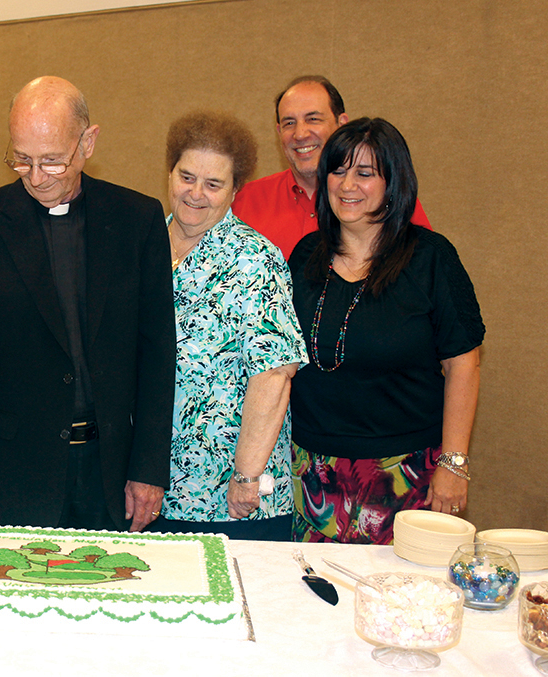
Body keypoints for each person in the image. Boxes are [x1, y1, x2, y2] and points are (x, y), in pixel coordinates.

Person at [0, 76, 175, 531]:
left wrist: (148, 468)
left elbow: (156, 351)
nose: (35, 178)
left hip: (109, 473)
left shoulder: (137, 219)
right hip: (7, 475)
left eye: (52, 161)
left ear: (88, 142)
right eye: (22, 159)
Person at [289, 117, 484, 544]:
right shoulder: (305, 256)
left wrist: (454, 465)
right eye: (338, 171)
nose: (347, 185)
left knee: (401, 588)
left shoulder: (431, 258)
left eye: (365, 173)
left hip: (406, 474)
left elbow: (463, 364)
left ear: (393, 183)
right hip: (311, 474)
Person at [149, 111, 307, 541]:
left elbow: (274, 374)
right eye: (187, 177)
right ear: (169, 174)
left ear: (236, 190)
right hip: (153, 490)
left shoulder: (255, 260)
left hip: (232, 497)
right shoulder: (145, 246)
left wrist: (246, 475)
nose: (196, 193)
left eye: (213, 184)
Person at [232, 75, 430, 259]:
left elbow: (424, 266)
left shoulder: (385, 198)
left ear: (341, 124)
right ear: (278, 132)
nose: (300, 134)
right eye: (289, 123)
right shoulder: (241, 202)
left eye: (313, 119)